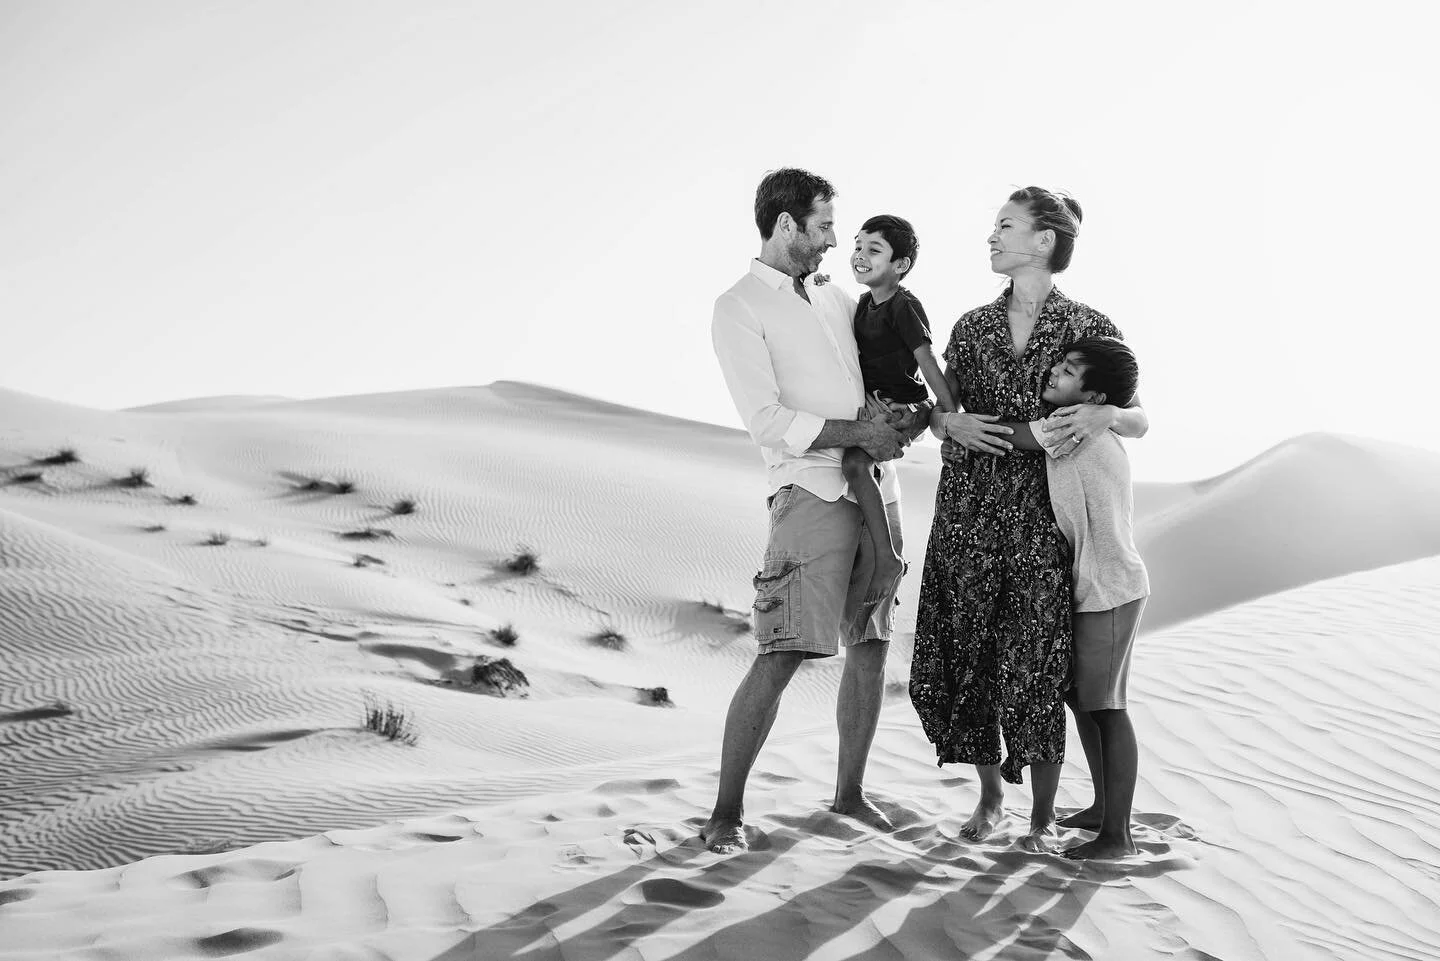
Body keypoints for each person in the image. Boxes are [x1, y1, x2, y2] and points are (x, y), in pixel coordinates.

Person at [910, 186, 1148, 853]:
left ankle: (1042, 815)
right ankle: (989, 796)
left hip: (1044, 521)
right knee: (972, 656)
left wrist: (1108, 414)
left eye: (1004, 226)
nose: (991, 236)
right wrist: (944, 420)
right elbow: (939, 414)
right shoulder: (969, 327)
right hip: (966, 512)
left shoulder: (1089, 327)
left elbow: (1138, 413)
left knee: (1037, 666)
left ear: (1044, 239)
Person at [706, 168, 911, 855]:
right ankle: (726, 813)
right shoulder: (738, 307)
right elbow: (767, 420)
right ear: (787, 224)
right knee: (785, 648)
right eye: (823, 226)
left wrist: (892, 421)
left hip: (875, 488)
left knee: (873, 643)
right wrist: (858, 434)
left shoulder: (837, 300)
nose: (832, 242)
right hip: (809, 491)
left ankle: (849, 794)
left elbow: (874, 379)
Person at [1007, 337, 1150, 859]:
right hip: (1099, 584)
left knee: (1107, 708)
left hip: (1110, 586)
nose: (1054, 372)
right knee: (1085, 700)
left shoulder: (1071, 425)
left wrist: (950, 422)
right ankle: (1102, 810)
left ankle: (1119, 835)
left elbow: (1014, 437)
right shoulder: (1092, 420)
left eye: (1068, 370)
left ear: (1093, 397)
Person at [843, 215, 958, 607]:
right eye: (857, 246)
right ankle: (879, 555)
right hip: (878, 406)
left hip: (905, 407)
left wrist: (946, 414)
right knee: (860, 467)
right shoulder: (862, 304)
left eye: (874, 250)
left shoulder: (904, 306)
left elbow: (926, 361)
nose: (860, 255)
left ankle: (889, 560)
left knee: (856, 466)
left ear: (900, 265)